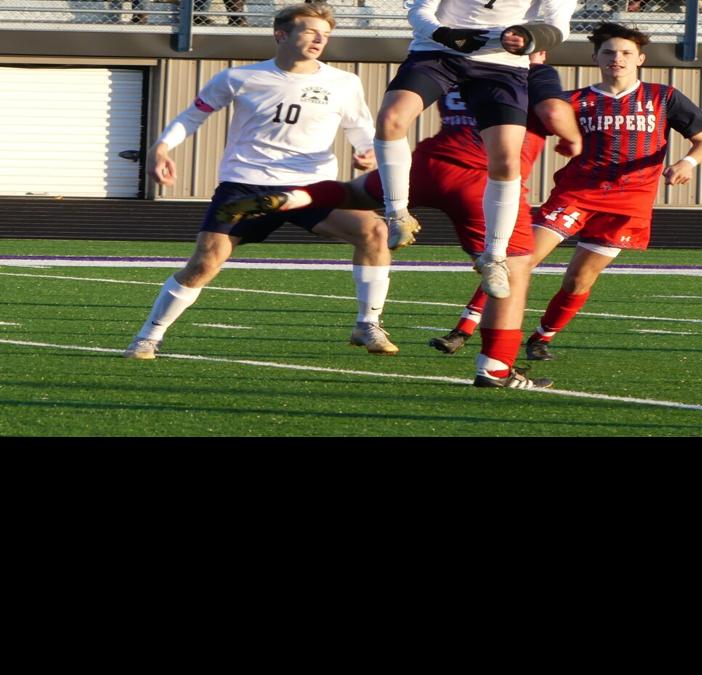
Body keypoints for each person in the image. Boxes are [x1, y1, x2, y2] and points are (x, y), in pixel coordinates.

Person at [218, 54, 580, 389]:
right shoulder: (527, 67)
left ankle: (294, 197)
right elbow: (551, 112)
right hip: (482, 178)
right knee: (514, 267)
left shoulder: (455, 60)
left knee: (355, 193)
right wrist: (572, 137)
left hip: (430, 160)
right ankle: (496, 367)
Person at [431, 21, 702, 378]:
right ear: (596, 57)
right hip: (576, 195)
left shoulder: (663, 97)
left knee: (579, 281)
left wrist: (686, 162)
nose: (618, 58)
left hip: (630, 204)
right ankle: (462, 329)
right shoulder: (575, 101)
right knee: (519, 261)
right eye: (609, 52)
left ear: (640, 59)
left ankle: (541, 338)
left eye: (626, 53)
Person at [122, 4, 393, 360]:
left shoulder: (343, 82)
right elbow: (192, 116)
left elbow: (360, 128)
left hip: (310, 189)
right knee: (205, 263)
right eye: (311, 31)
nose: (319, 39)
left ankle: (367, 323)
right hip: (246, 187)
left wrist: (365, 153)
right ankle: (148, 337)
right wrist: (161, 147)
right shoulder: (238, 78)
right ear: (281, 35)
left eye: (325, 34)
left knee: (374, 231)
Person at [373, 0, 576, 301]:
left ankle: (494, 257)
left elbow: (557, 26)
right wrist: (444, 34)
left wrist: (527, 36)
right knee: (391, 119)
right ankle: (397, 214)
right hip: (438, 51)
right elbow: (419, 11)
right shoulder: (440, 39)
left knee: (507, 162)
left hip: (502, 62)